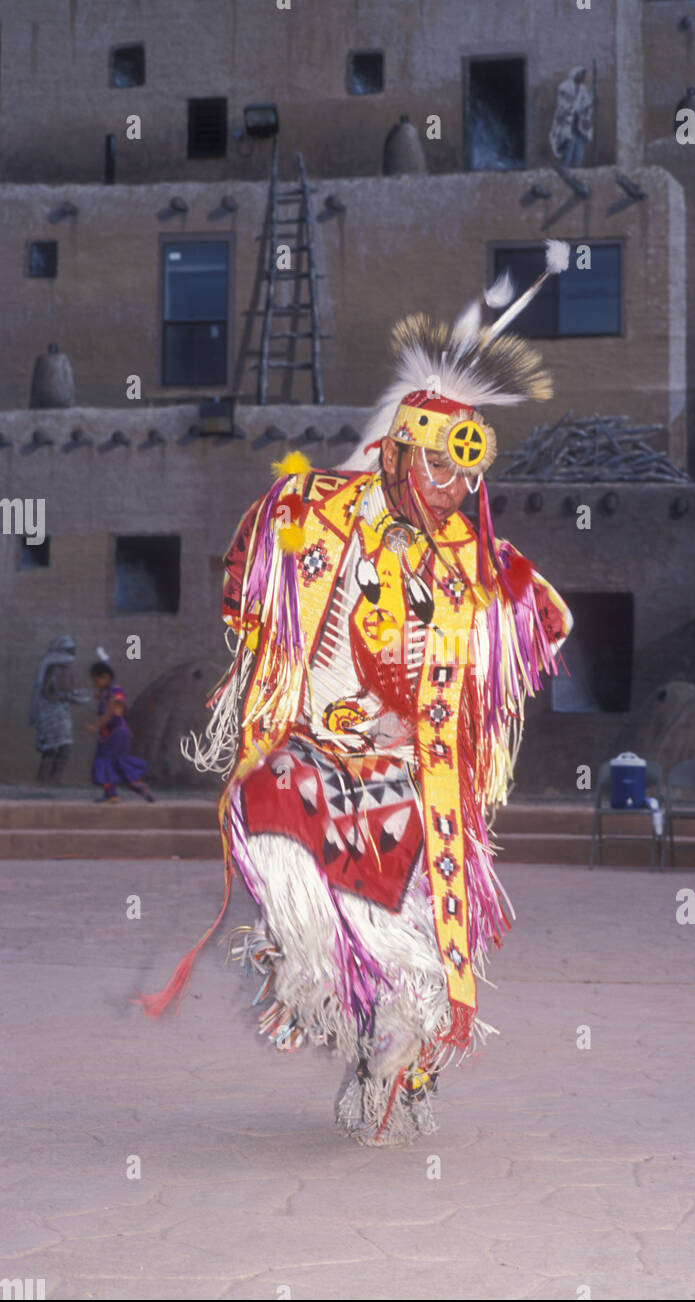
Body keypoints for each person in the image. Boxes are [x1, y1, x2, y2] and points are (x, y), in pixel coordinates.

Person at [138, 247, 574, 1146]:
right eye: (440, 471)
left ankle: (399, 1059)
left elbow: (543, 622)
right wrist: (500, 290)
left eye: (469, 478)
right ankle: (366, 1024)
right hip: (316, 762)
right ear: (403, 455)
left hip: (415, 779)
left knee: (418, 947)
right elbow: (415, 391)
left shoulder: (468, 566)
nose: (456, 492)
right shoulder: (335, 513)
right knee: (270, 806)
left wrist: (428, 709)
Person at [87, 662, 155, 803]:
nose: (96, 684)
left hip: (115, 734)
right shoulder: (108, 692)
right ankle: (140, 788)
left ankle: (111, 795)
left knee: (105, 762)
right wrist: (100, 697)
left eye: (96, 680)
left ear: (105, 677)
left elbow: (114, 712)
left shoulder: (115, 691)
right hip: (112, 735)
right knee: (117, 764)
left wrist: (96, 726)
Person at [29, 634, 91, 785]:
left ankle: (54, 780)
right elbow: (49, 694)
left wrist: (76, 696)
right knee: (51, 750)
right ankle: (43, 781)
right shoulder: (51, 669)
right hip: (50, 715)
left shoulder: (63, 669)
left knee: (64, 749)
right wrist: (70, 697)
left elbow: (68, 691)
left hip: (62, 714)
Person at [549, 66, 595, 168]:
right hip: (567, 123)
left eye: (584, 75)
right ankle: (566, 168)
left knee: (579, 149)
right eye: (581, 75)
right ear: (576, 75)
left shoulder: (583, 89)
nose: (583, 77)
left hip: (579, 124)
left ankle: (578, 171)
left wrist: (590, 102)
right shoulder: (564, 87)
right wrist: (576, 107)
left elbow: (586, 103)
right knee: (568, 148)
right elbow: (564, 104)